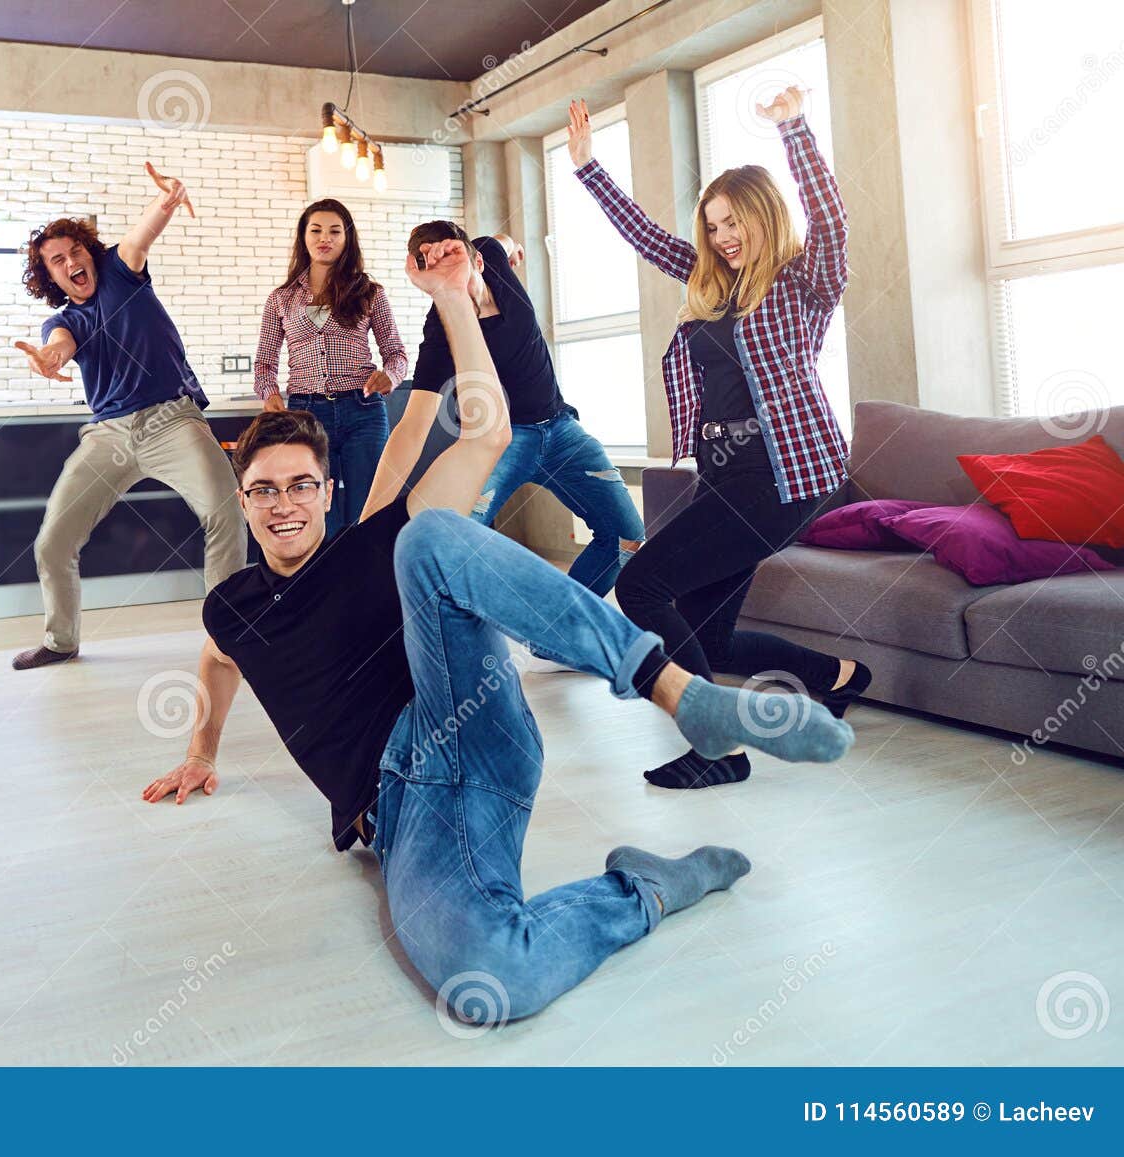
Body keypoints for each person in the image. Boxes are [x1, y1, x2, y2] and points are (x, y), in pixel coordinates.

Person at [140, 236, 854, 1025]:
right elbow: (217, 661)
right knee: (489, 980)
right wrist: (200, 751)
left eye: (301, 486)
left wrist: (452, 300)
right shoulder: (231, 604)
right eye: (265, 490)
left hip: (464, 721)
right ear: (242, 500)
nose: (284, 505)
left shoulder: (369, 538)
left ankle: (681, 693)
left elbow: (483, 434)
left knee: (430, 534)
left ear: (326, 489)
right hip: (406, 813)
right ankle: (650, 884)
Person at [570, 87, 871, 790]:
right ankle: (838, 675)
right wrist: (589, 169)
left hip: (781, 474)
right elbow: (645, 236)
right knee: (705, 638)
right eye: (712, 225)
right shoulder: (713, 281)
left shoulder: (804, 280)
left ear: (762, 216)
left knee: (641, 583)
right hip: (725, 475)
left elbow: (831, 218)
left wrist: (794, 127)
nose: (723, 236)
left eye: (733, 221)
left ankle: (716, 748)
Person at [13, 163, 246, 670]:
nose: (71, 261)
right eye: (58, 260)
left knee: (225, 510)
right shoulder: (63, 320)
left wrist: (167, 200)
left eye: (76, 251)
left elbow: (142, 235)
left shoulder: (122, 271)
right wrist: (52, 357)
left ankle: (230, 636)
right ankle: (61, 640)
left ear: (90, 254)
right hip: (110, 434)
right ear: (50, 275)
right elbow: (61, 344)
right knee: (53, 541)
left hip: (172, 419)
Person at [406, 220, 644, 597]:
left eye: (457, 269)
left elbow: (500, 240)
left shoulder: (494, 259)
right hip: (501, 444)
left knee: (627, 537)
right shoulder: (439, 330)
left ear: (478, 261)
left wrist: (513, 246)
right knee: (456, 544)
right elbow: (413, 422)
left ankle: (559, 626)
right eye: (437, 278)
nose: (450, 284)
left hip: (563, 431)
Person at [254, 198, 406, 533]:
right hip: (306, 415)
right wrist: (269, 394)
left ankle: (368, 583)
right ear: (303, 237)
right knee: (316, 508)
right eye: (316, 230)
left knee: (367, 508)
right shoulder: (281, 298)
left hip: (362, 410)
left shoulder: (370, 292)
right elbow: (265, 363)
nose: (325, 238)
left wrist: (390, 376)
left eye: (335, 231)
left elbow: (396, 353)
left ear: (347, 239)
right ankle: (327, 583)